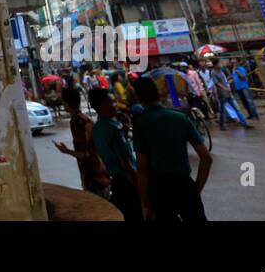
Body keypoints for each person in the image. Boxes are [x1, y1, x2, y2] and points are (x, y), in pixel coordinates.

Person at [132, 75, 212, 222]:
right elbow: (206, 158)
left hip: (159, 190)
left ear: (138, 97)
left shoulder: (140, 124)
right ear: (157, 92)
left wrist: (144, 200)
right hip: (184, 185)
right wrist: (196, 189)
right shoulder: (180, 118)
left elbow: (142, 167)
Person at [88, 87, 141, 221]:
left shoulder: (97, 129)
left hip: (116, 184)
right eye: (112, 103)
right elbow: (126, 166)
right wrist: (141, 190)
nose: (115, 105)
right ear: (102, 106)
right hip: (128, 183)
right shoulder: (114, 129)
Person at [54, 88, 111, 199]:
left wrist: (66, 151)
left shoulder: (77, 122)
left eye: (63, 101)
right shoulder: (83, 118)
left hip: (93, 177)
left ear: (66, 102)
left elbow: (85, 154)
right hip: (99, 173)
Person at [211, 59, 251, 130]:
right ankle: (222, 125)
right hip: (222, 94)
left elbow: (224, 81)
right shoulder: (213, 73)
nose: (221, 64)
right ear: (215, 65)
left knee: (236, 109)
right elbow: (217, 83)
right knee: (223, 111)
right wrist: (225, 88)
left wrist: (228, 83)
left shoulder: (221, 71)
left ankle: (245, 124)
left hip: (228, 93)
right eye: (219, 63)